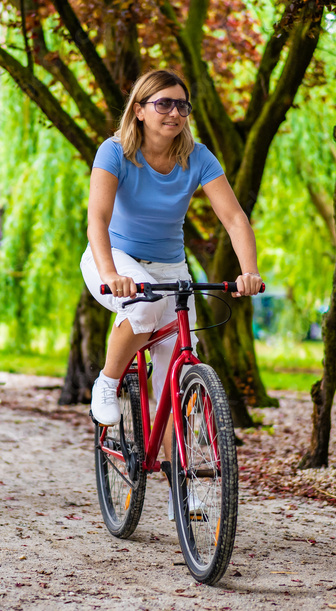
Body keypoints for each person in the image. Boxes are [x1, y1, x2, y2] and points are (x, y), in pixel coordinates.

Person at [80, 69, 263, 433]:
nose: (175, 113)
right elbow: (97, 220)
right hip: (114, 257)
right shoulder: (114, 151)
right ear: (139, 110)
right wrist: (111, 275)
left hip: (171, 268)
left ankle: (179, 485)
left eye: (182, 105)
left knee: (174, 385)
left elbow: (235, 219)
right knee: (145, 306)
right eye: (163, 103)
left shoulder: (198, 157)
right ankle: (107, 382)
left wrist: (249, 271)